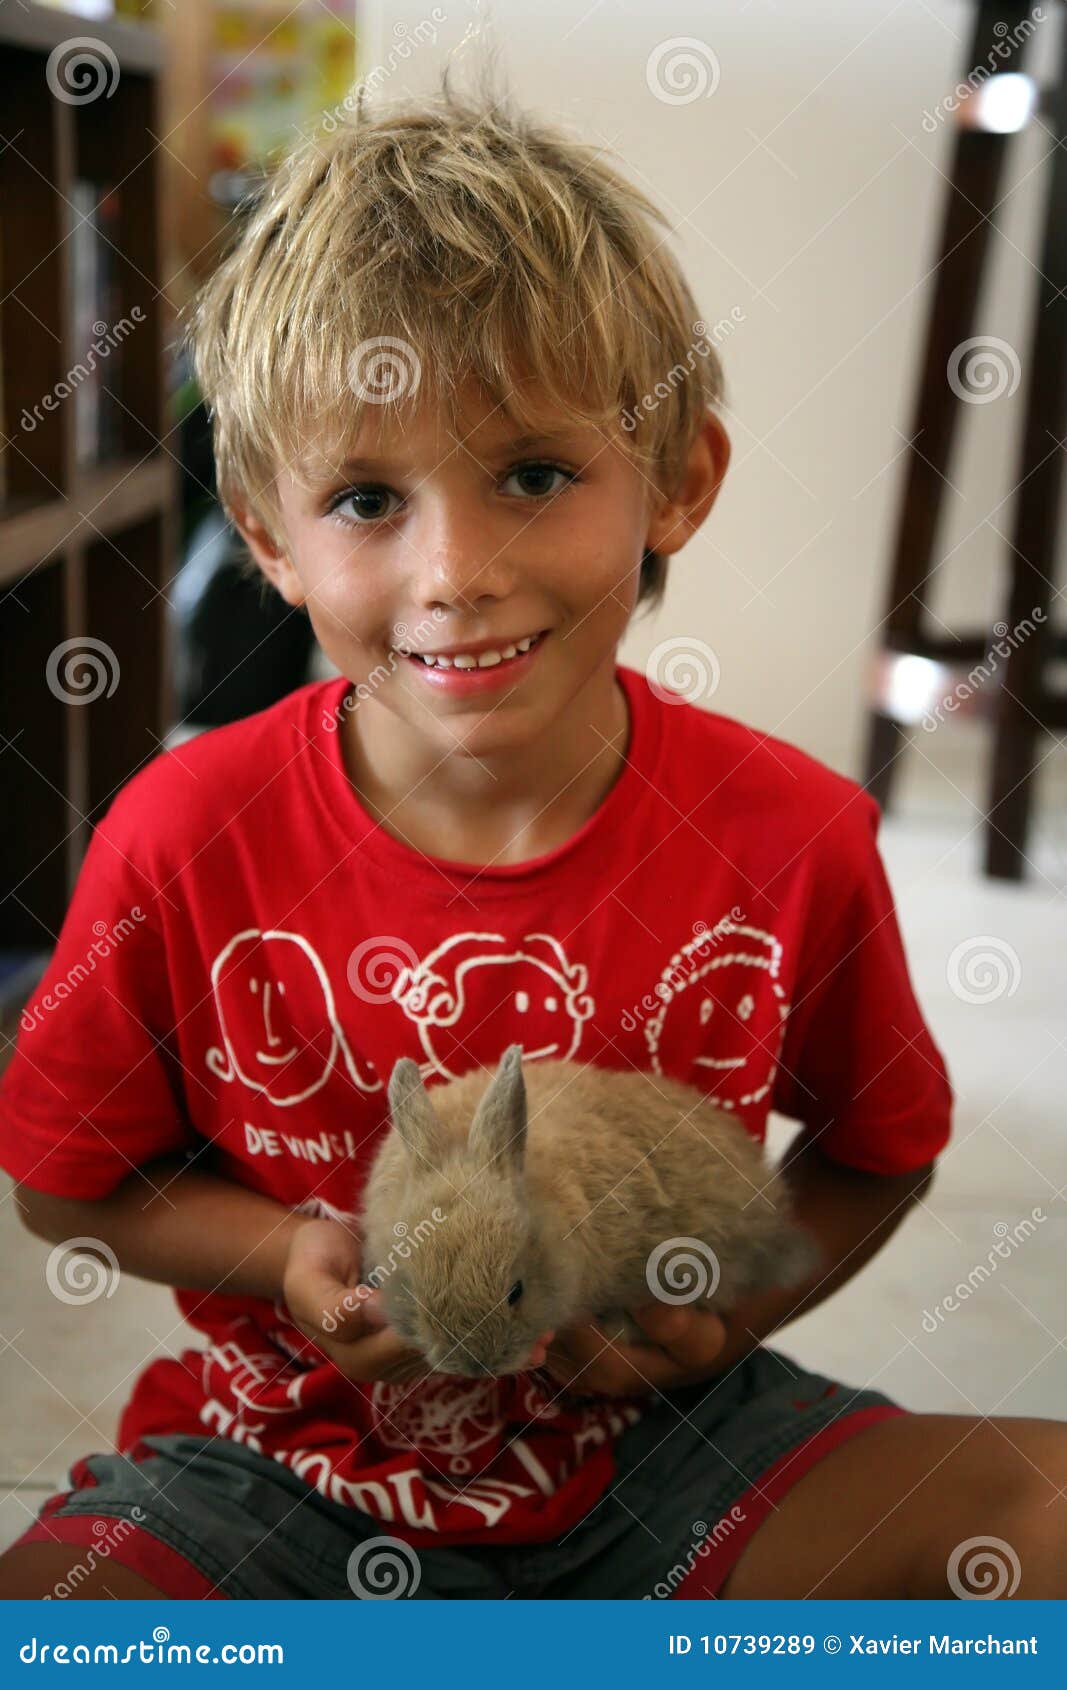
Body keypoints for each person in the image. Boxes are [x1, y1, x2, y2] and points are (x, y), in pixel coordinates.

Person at [1, 67, 1063, 1602]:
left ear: (676, 480)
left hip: (672, 1452)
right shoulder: (180, 831)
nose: (456, 571)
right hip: (278, 1463)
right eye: (367, 496)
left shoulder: (792, 830)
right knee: (58, 1628)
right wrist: (286, 1254)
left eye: (536, 475)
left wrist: (722, 1318)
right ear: (264, 533)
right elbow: (65, 1180)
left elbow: (880, 1149)